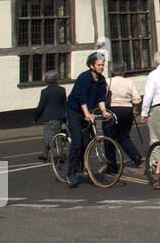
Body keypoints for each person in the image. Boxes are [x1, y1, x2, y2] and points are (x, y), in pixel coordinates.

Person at [65, 52, 112, 188]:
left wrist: (103, 111)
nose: (101, 67)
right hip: (74, 111)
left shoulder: (102, 80)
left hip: (88, 112)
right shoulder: (84, 78)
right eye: (99, 65)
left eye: (103, 65)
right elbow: (81, 97)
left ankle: (84, 166)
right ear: (92, 66)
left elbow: (101, 98)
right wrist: (86, 113)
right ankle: (71, 173)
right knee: (77, 142)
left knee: (87, 142)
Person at [105, 62, 144, 171]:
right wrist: (135, 109)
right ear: (124, 71)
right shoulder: (129, 82)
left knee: (109, 138)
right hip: (127, 110)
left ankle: (111, 165)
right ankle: (135, 156)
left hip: (112, 109)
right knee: (124, 136)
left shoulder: (107, 81)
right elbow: (137, 99)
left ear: (112, 71)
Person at [32, 70, 68, 161]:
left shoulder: (45, 91)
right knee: (58, 134)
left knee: (48, 135)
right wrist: (66, 117)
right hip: (60, 116)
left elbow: (41, 106)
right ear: (56, 79)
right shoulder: (62, 90)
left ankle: (47, 153)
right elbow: (65, 104)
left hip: (49, 117)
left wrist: (35, 118)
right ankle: (54, 153)